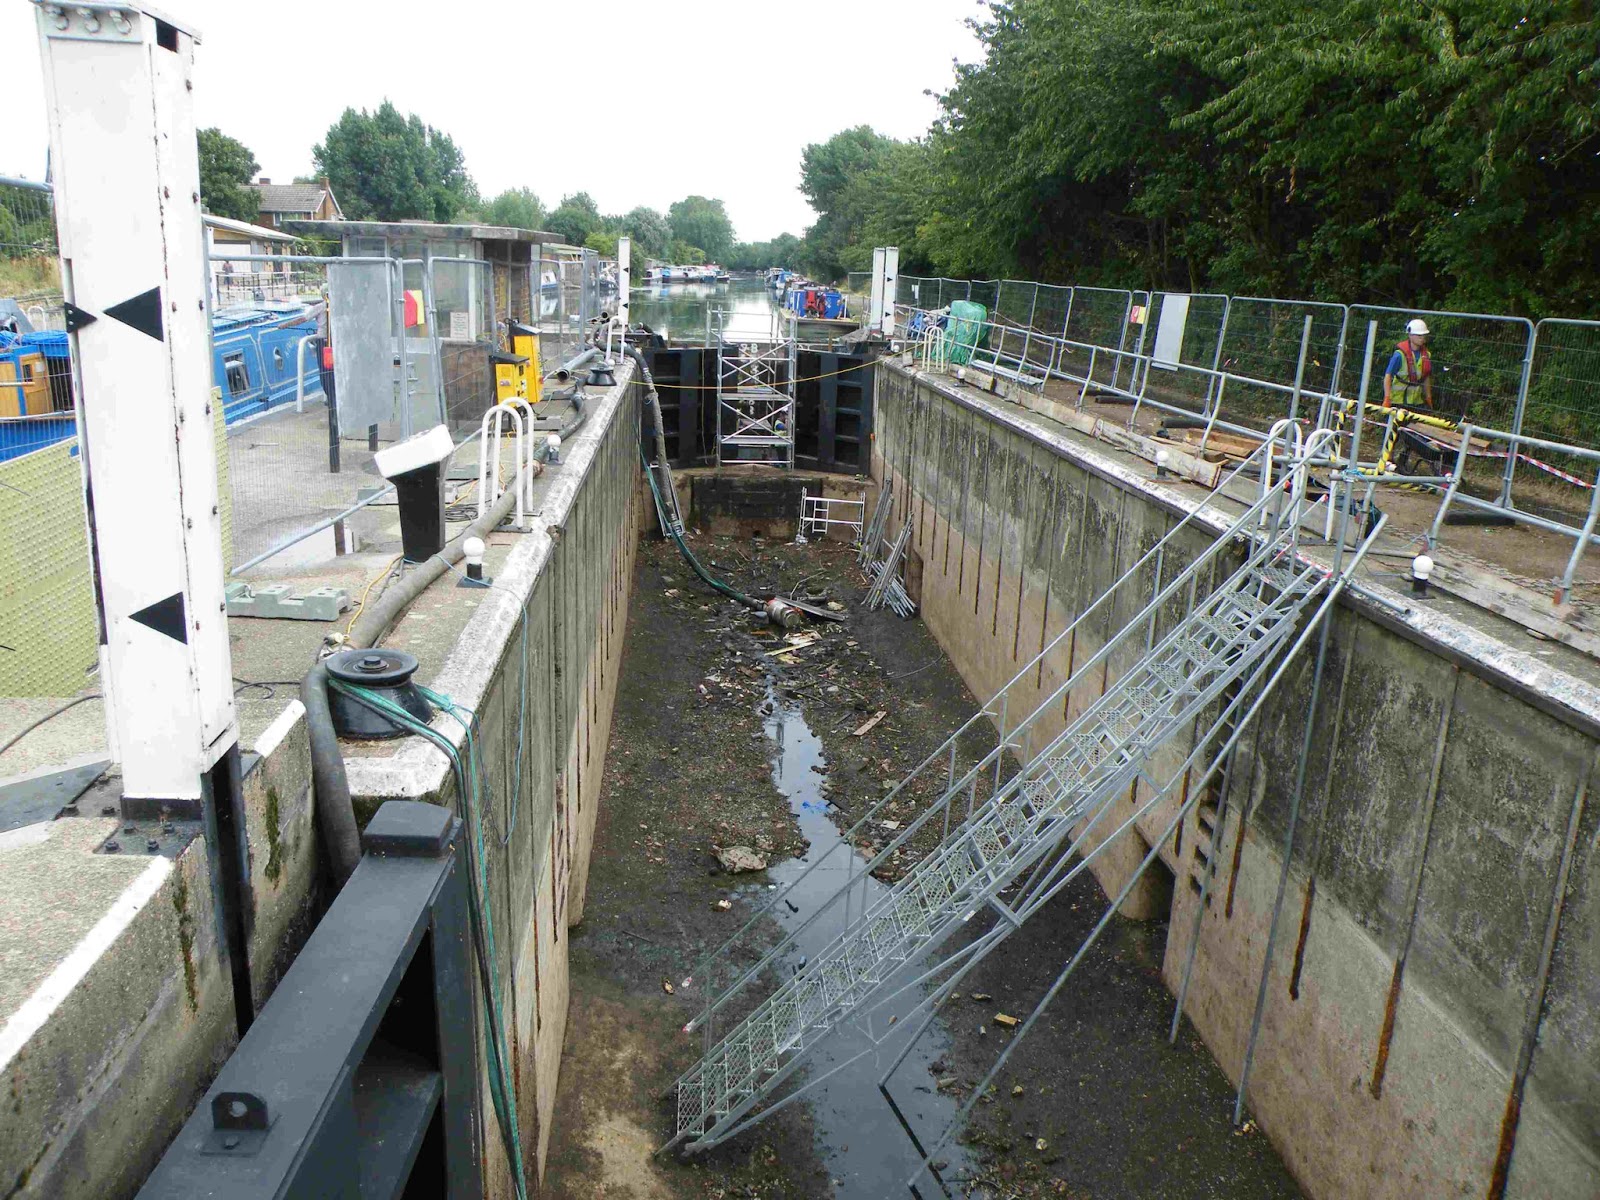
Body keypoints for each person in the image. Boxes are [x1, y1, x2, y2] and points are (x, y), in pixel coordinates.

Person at [1383, 318, 1433, 408]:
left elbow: (1426, 377)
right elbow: (1388, 375)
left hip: (1417, 402)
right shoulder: (1399, 355)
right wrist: (1387, 398)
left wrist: (1428, 397)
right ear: (1410, 335)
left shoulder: (1426, 355)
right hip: (1399, 401)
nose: (1422, 339)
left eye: (1423, 336)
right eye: (1419, 336)